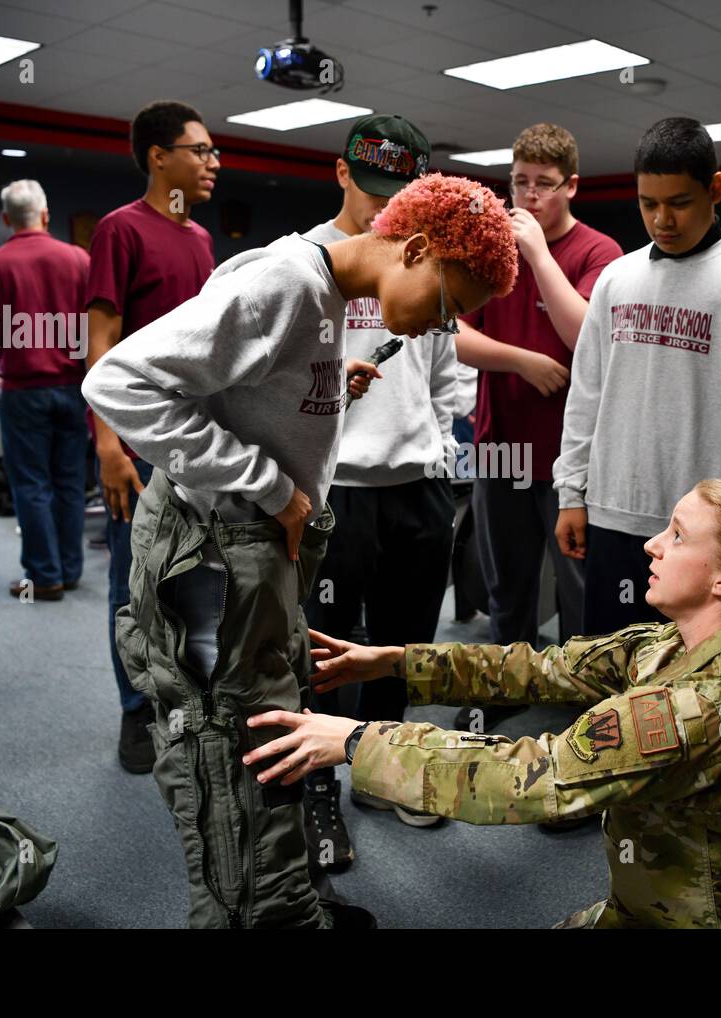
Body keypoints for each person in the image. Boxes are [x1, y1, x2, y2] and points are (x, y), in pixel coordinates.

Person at [82, 172, 518, 928]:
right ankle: (246, 917)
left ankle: (284, 905)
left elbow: (240, 391)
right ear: (414, 249)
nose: (436, 330)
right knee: (228, 753)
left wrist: (323, 388)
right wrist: (269, 487)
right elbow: (118, 382)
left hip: (255, 543)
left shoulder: (328, 300)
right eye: (447, 308)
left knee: (272, 729)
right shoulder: (285, 280)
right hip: (213, 547)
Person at [246, 478, 721, 929]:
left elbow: (528, 779)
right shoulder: (674, 647)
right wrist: (396, 661)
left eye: (678, 535)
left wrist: (355, 742)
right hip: (665, 903)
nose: (654, 545)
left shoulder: (693, 709)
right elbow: (543, 668)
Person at [555, 117, 721, 639]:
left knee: (689, 694)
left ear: (715, 189)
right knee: (608, 677)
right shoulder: (616, 279)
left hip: (705, 536)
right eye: (648, 203)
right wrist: (571, 493)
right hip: (612, 514)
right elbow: (587, 395)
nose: (662, 219)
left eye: (680, 202)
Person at [298, 114, 453, 868]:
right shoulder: (305, 260)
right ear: (341, 174)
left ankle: (384, 772)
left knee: (402, 647)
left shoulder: (429, 262)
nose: (382, 208)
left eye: (401, 194)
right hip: (339, 490)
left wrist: (440, 440)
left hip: (418, 488)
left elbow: (448, 373)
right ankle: (320, 788)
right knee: (326, 654)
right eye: (371, 188)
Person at [456, 123, 622, 672]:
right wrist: (520, 360)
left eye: (544, 184)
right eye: (520, 182)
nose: (529, 196)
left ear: (571, 185)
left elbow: (582, 334)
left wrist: (536, 253)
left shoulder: (600, 251)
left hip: (568, 456)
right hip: (500, 444)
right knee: (507, 579)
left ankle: (580, 692)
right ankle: (511, 684)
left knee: (577, 583)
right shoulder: (489, 249)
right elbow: (452, 334)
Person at [84, 101, 217, 772]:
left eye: (213, 151)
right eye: (198, 150)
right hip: (135, 440)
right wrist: (106, 443)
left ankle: (181, 701)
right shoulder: (120, 229)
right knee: (135, 585)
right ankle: (135, 713)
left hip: (193, 440)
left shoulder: (199, 239)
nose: (212, 162)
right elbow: (100, 341)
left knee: (190, 581)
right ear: (158, 156)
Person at [0, 180, 91, 602]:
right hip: (74, 388)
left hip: (22, 392)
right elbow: (97, 327)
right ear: (46, 214)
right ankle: (69, 571)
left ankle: (44, 576)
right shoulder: (78, 259)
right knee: (71, 482)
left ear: (6, 218)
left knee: (32, 485)